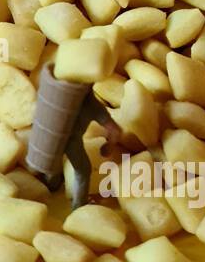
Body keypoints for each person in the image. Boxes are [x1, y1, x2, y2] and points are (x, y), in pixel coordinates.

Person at [26, 69, 137, 210]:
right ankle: (79, 205)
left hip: (52, 138)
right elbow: (114, 130)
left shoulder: (57, 96)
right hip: (72, 142)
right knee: (83, 171)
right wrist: (110, 145)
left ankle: (52, 183)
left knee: (54, 157)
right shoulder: (92, 106)